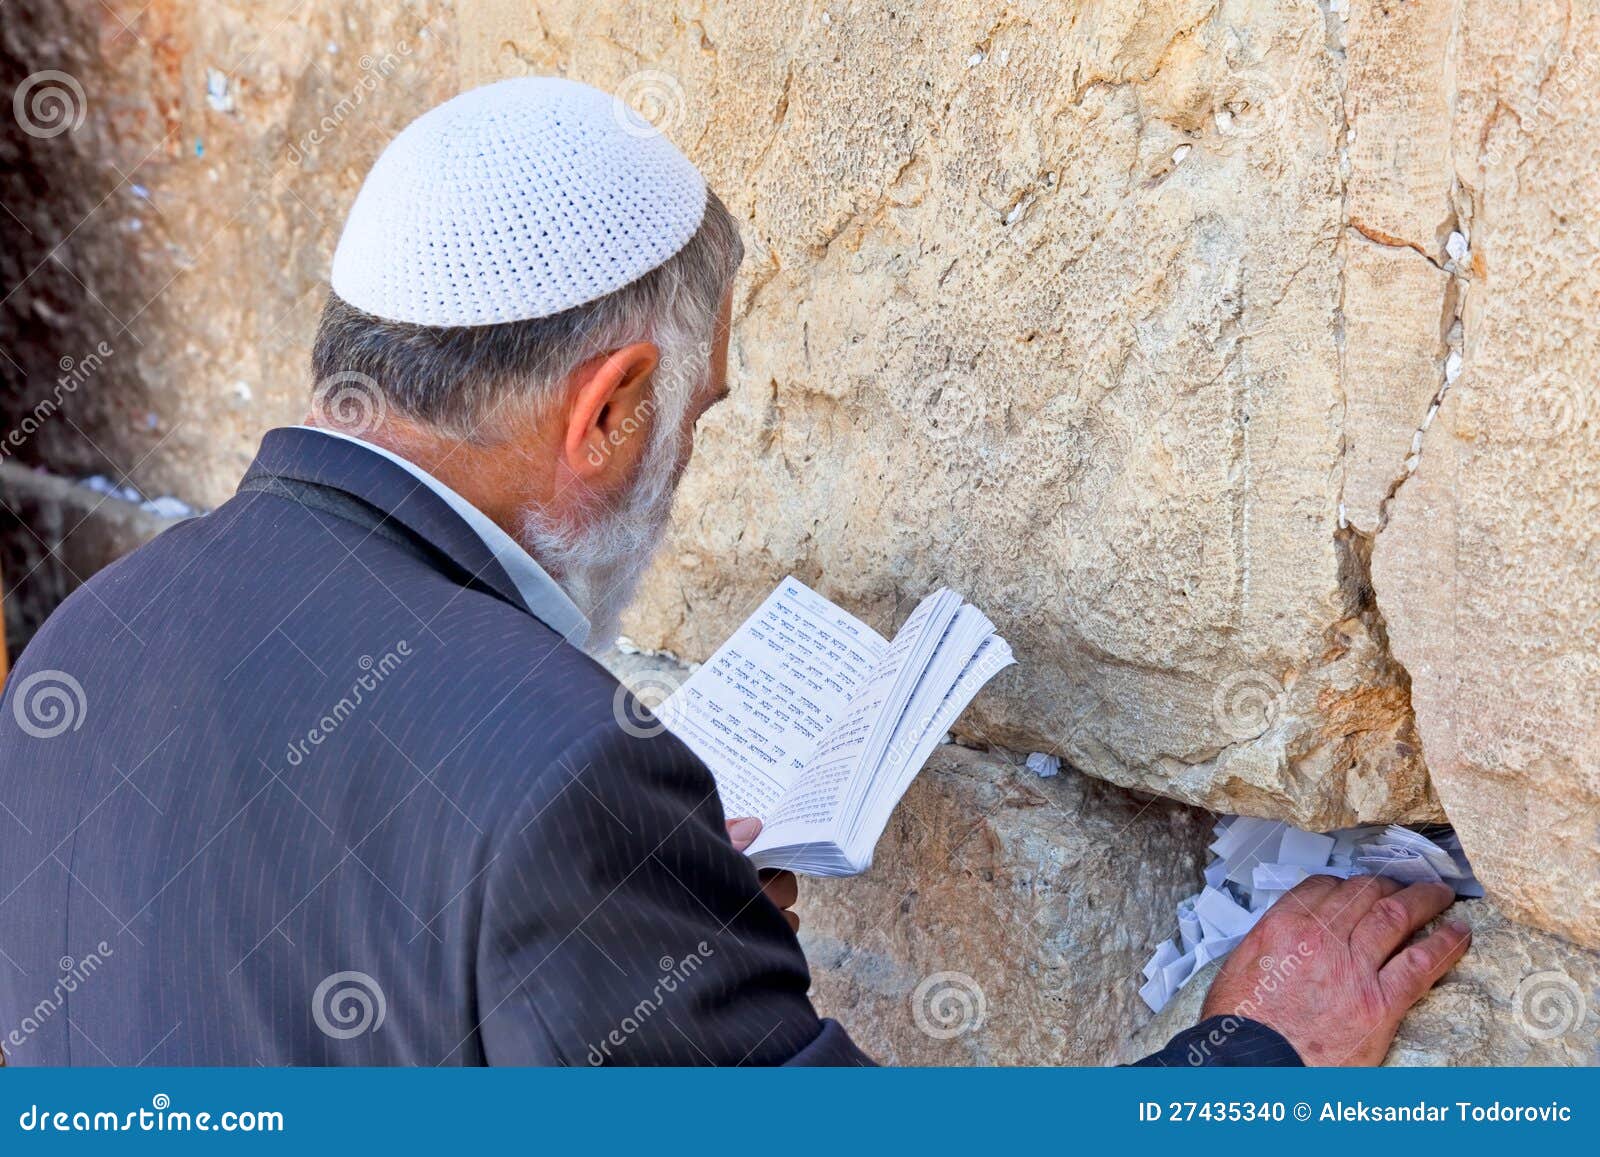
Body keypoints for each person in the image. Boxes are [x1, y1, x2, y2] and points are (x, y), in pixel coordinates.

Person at [0, 78, 1469, 1066]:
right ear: (607, 407)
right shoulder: (565, 779)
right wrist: (1252, 1051)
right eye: (694, 420)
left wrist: (661, 948)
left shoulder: (82, 644)